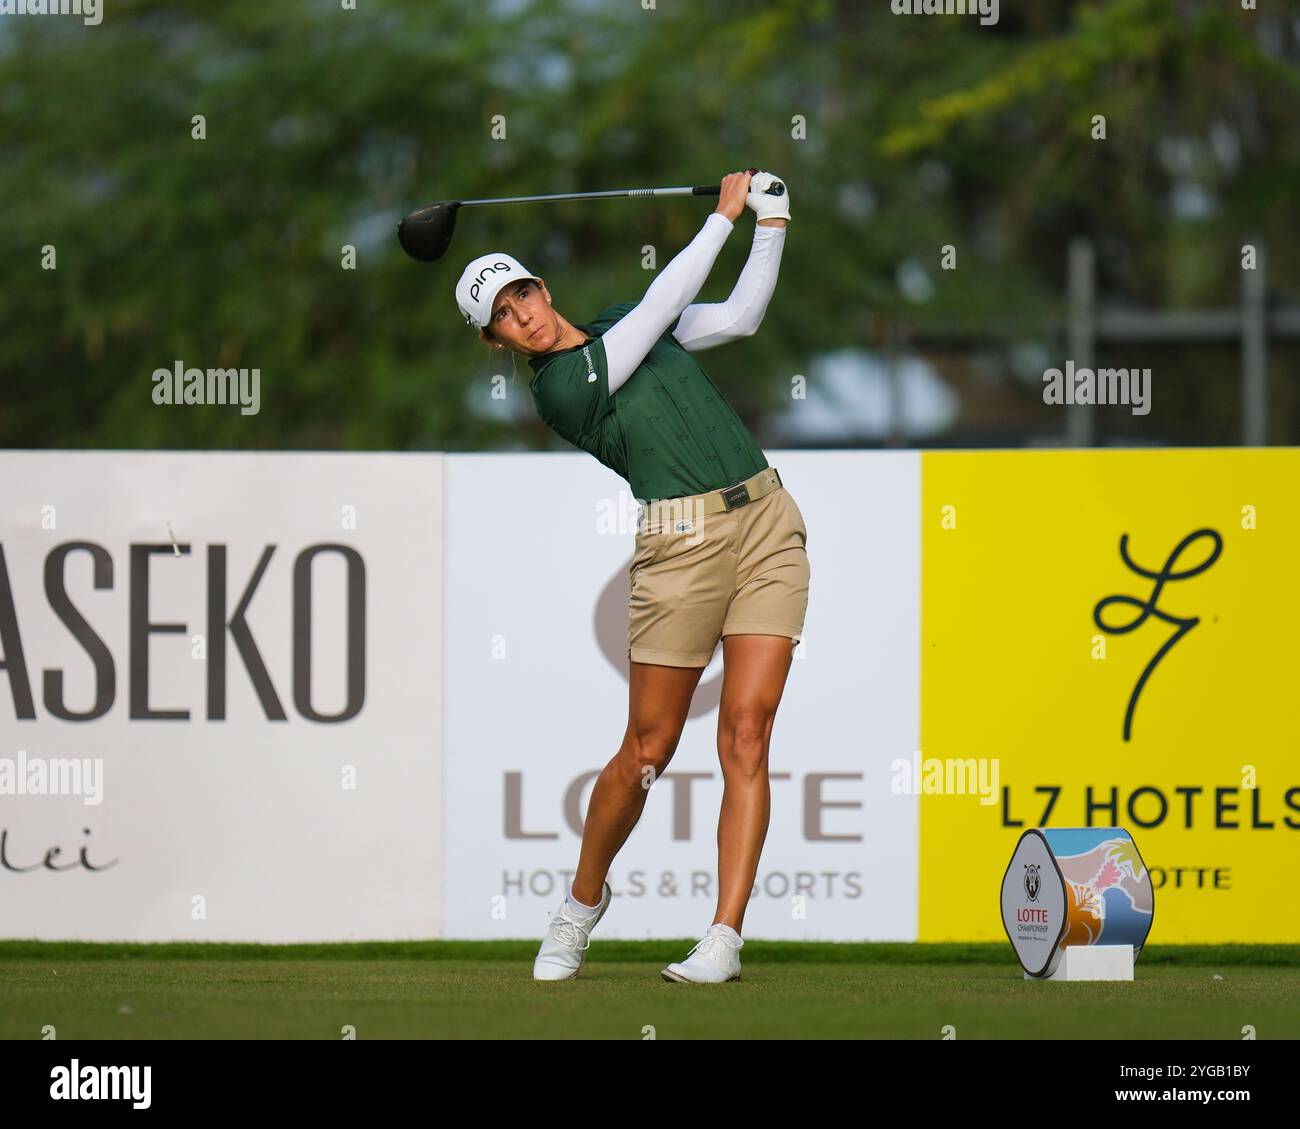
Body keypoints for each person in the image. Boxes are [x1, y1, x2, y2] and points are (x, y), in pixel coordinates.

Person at [454, 169, 809, 984]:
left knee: (748, 732)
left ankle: (723, 936)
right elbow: (657, 309)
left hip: (767, 522)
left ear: (543, 289)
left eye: (522, 297)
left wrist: (773, 220)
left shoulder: (621, 327)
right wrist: (723, 218)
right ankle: (581, 905)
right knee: (647, 749)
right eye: (503, 319)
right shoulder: (562, 390)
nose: (523, 319)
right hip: (678, 547)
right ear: (498, 343)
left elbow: (742, 316)